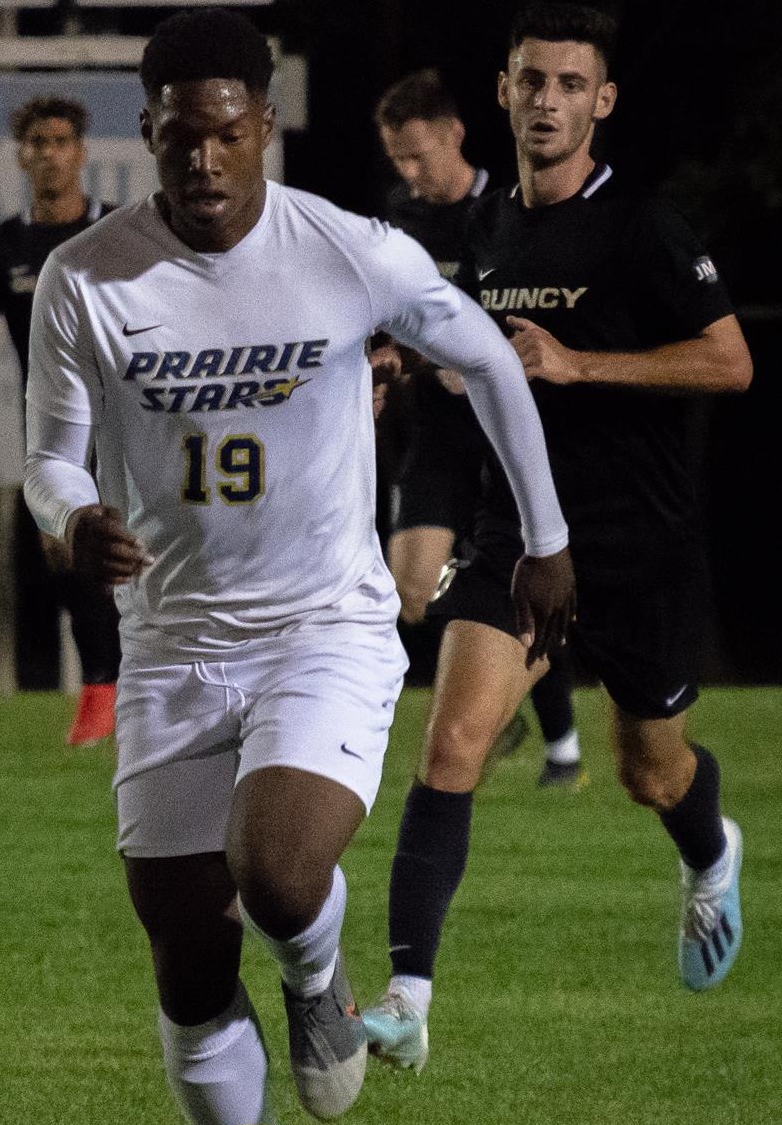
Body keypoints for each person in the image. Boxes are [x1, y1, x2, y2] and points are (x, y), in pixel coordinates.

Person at [23, 10, 573, 1123]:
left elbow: (486, 360)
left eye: (226, 134)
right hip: (172, 641)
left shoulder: (345, 249)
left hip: (321, 626)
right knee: (184, 961)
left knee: (273, 870)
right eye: (179, 136)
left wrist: (546, 540)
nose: (203, 159)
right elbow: (45, 457)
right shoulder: (84, 277)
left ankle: (317, 980)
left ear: (263, 128)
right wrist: (74, 519)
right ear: (149, 131)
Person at [363, 2, 753, 1075]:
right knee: (448, 747)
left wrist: (584, 365)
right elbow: (472, 355)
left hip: (635, 545)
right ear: (502, 91)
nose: (546, 102)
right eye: (530, 81)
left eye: (568, 85)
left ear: (601, 102)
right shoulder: (485, 231)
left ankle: (709, 851)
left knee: (651, 777)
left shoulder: (643, 226)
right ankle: (405, 997)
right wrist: (397, 365)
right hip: (515, 536)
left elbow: (728, 364)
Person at [373, 67, 585, 788]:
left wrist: (494, 360)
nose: (408, 171)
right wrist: (388, 360)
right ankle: (515, 711)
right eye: (396, 158)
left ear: (455, 135)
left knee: (525, 588)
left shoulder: (502, 208)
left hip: (506, 434)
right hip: (437, 435)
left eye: (418, 154)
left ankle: (560, 740)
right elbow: (388, 320)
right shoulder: (397, 219)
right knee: (409, 591)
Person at [0, 95, 121, 745]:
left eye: (60, 141)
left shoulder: (115, 232)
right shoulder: (6, 244)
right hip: (54, 423)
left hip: (131, 419)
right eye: (37, 142)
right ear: (22, 154)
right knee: (65, 551)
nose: (49, 153)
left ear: (80, 152)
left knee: (148, 549)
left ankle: (147, 683)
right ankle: (101, 689)